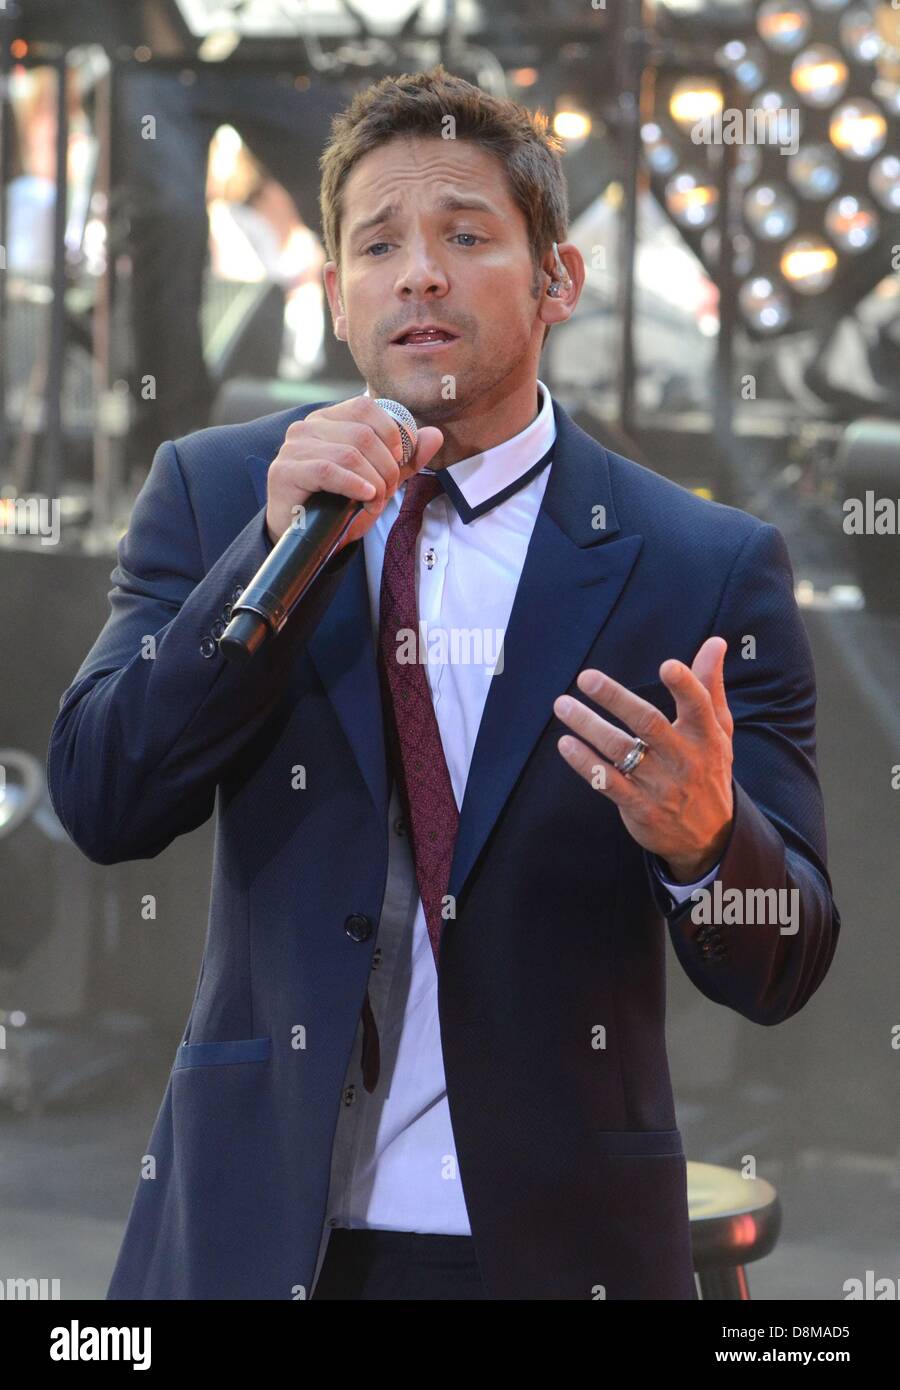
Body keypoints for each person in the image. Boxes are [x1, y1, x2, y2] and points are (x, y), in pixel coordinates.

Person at [46, 64, 840, 1301]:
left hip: (556, 1242)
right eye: (378, 245)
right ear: (333, 296)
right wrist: (268, 553)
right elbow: (102, 799)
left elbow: (785, 959)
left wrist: (704, 844)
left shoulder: (701, 564)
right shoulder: (220, 496)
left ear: (557, 280)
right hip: (259, 1234)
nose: (419, 271)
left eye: (467, 236)